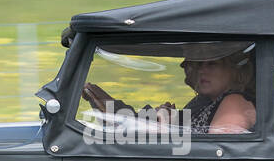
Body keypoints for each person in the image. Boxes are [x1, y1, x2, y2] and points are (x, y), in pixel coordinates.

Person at [82, 42, 256, 135]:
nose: (201, 70)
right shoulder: (204, 102)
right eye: (198, 64)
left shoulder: (234, 101)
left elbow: (221, 151)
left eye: (212, 63)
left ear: (234, 70)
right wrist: (115, 109)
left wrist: (165, 128)